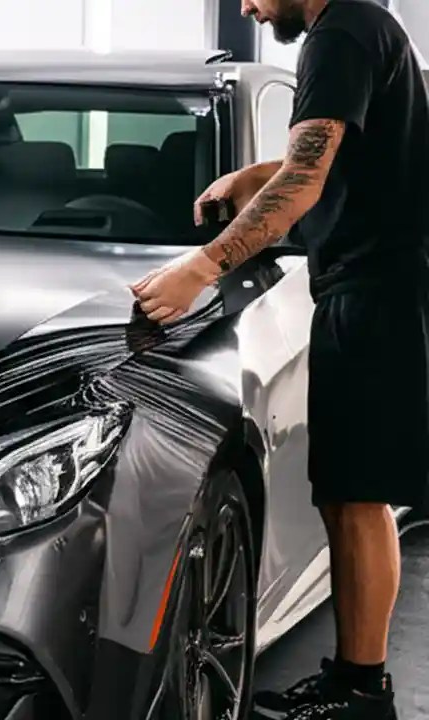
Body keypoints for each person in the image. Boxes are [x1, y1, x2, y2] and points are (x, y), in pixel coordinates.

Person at [130, 0, 429, 717]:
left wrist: (198, 269)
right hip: (381, 287)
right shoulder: (362, 29)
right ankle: (357, 685)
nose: (245, 7)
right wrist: (251, 177)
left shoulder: (341, 37)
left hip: (372, 292)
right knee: (354, 496)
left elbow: (306, 180)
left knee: (356, 498)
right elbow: (338, 150)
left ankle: (361, 693)